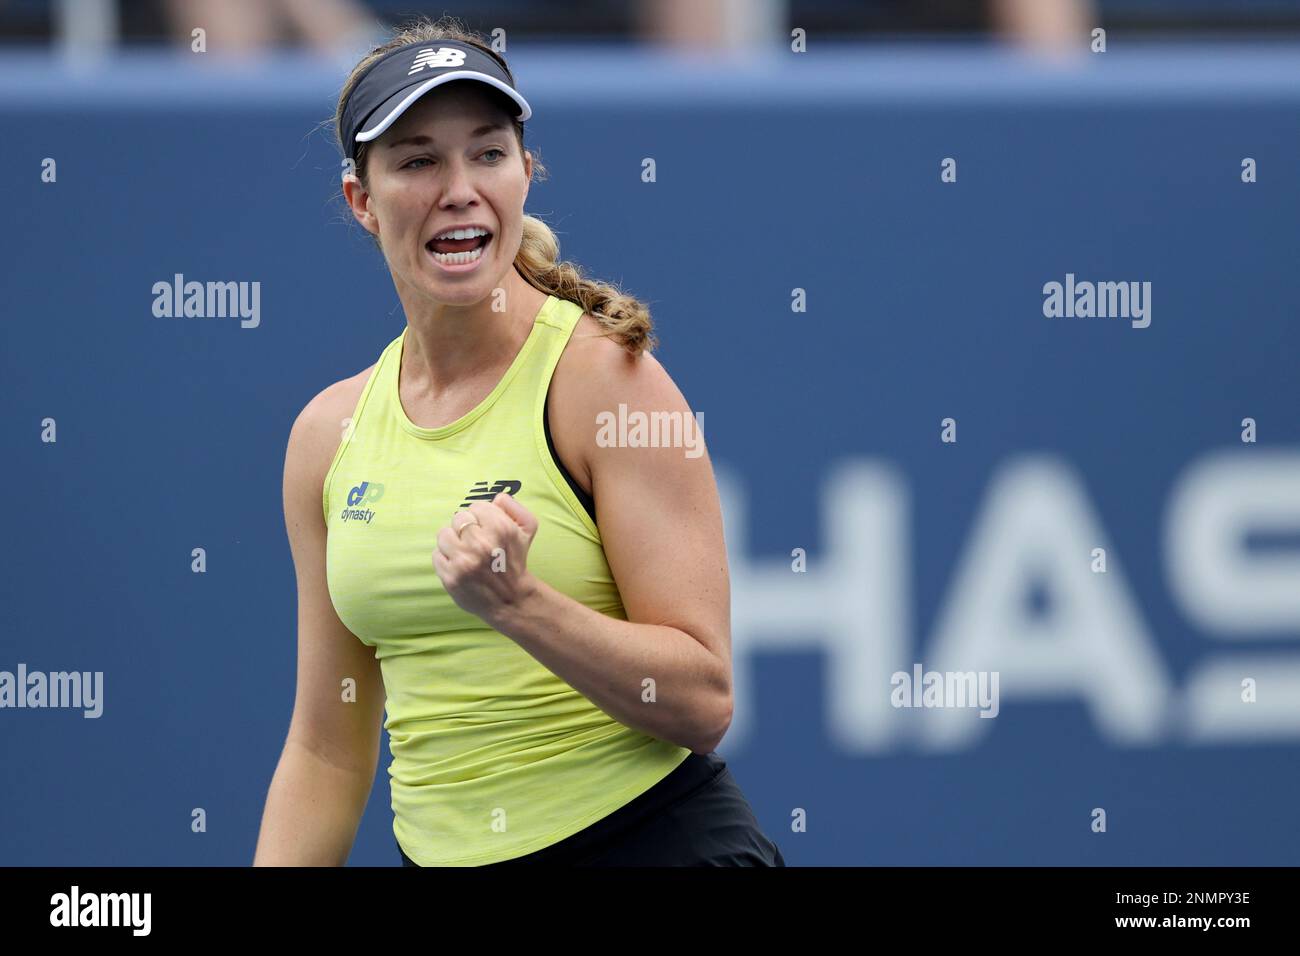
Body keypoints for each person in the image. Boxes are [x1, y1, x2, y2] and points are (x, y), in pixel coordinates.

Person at [253, 16, 784, 867]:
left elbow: (703, 696)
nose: (458, 188)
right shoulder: (326, 437)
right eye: (419, 160)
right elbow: (327, 749)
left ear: (526, 175)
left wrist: (521, 607)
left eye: (488, 153)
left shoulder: (605, 380)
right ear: (362, 200)